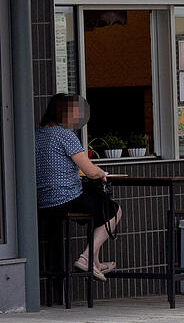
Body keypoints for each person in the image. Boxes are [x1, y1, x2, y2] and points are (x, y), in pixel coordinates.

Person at [36, 94, 121, 281]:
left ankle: (96, 262)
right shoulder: (66, 135)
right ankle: (87, 257)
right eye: (74, 112)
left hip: (43, 202)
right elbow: (90, 171)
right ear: (63, 113)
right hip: (66, 198)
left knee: (99, 210)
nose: (77, 117)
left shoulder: (37, 135)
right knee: (113, 210)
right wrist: (102, 174)